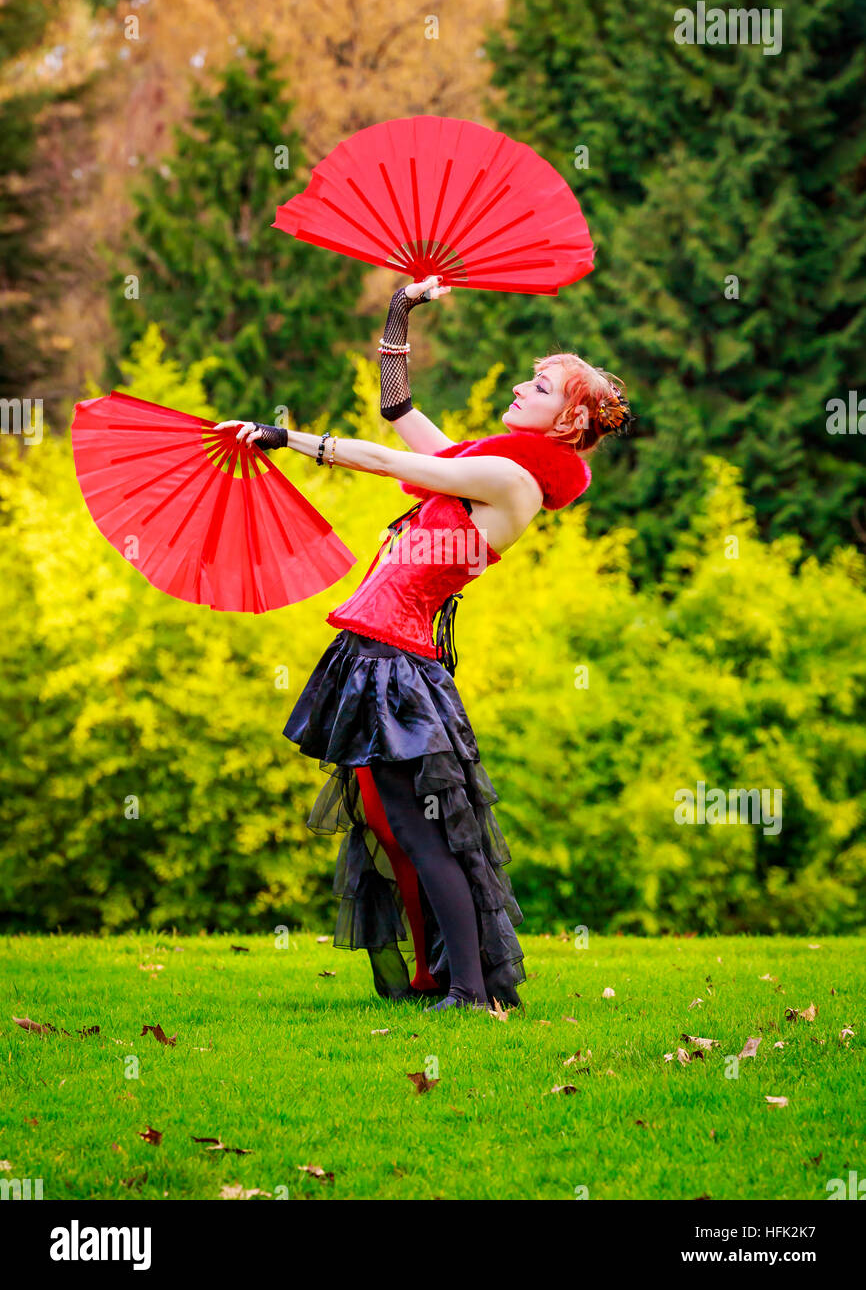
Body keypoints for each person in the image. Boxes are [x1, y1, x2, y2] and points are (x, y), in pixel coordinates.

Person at [216, 274, 634, 1013]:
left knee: (422, 830)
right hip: (380, 654)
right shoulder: (484, 463)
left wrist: (288, 438)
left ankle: (470, 992)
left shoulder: (510, 480)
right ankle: (442, 978)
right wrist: (399, 311)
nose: (519, 387)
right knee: (395, 824)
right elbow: (397, 413)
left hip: (398, 666)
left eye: (538, 386)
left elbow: (389, 461)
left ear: (569, 421)